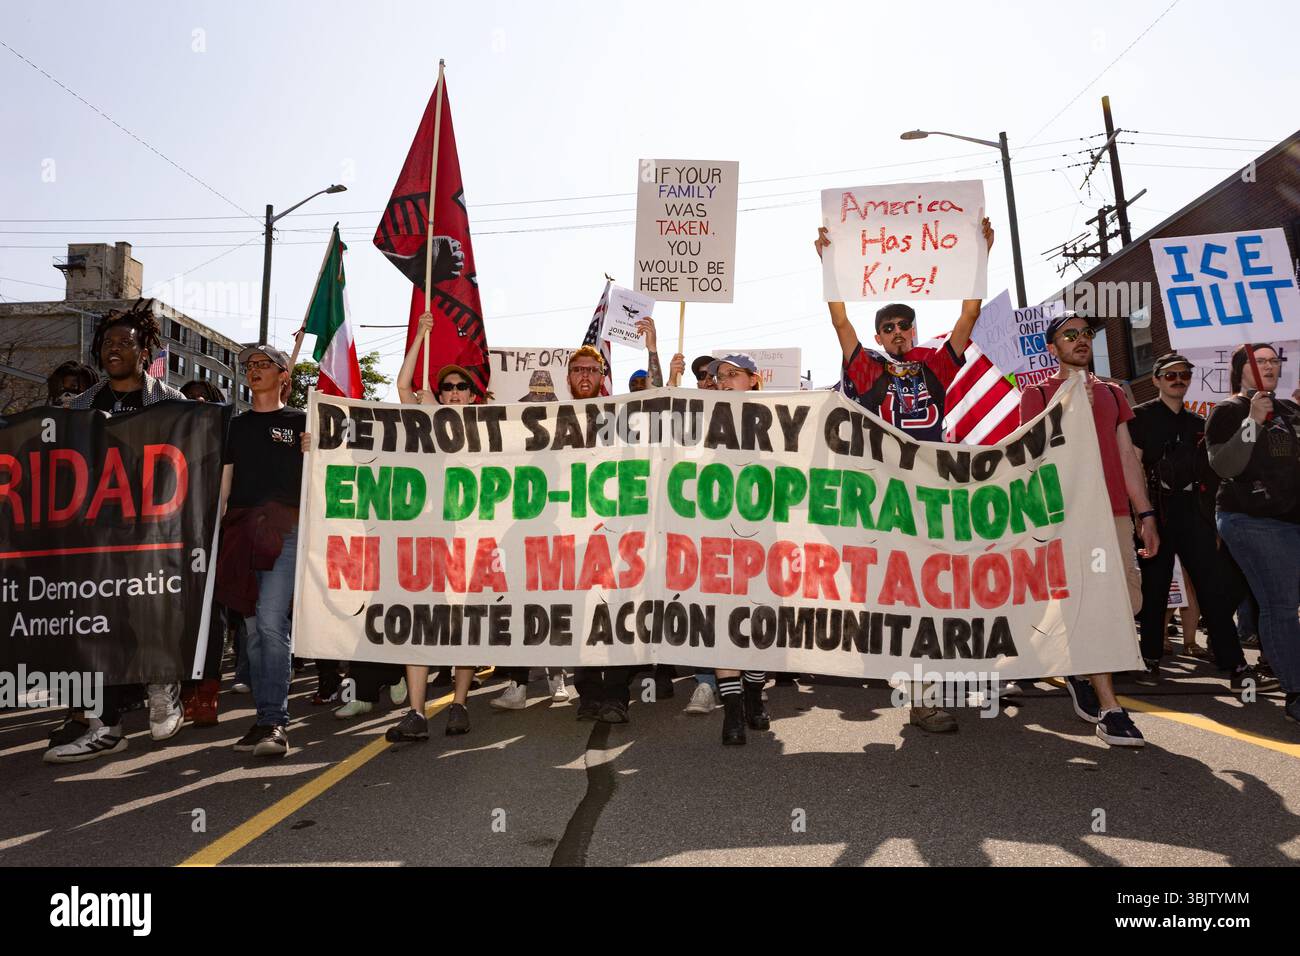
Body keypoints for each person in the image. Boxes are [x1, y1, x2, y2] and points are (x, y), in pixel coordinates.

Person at [814, 218, 994, 734]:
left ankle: (940, 683)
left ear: (914, 330)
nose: (897, 333)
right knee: (905, 598)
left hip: (934, 495)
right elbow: (841, 325)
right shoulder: (867, 368)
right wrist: (828, 265)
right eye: (888, 327)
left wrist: (978, 253)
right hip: (888, 499)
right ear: (879, 335)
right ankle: (921, 697)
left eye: (904, 325)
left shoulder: (935, 366)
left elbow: (969, 314)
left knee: (939, 593)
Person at [46, 302, 189, 763]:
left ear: (145, 350)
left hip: (152, 533)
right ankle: (104, 725)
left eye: (125, 342)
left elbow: (194, 466)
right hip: (97, 535)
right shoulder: (82, 408)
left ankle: (163, 686)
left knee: (147, 613)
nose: (114, 350)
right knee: (94, 625)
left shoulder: (173, 404)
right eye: (107, 343)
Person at [1020, 313, 1156, 747]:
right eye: (1070, 335)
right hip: (1070, 516)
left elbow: (1127, 457)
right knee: (1097, 603)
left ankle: (1078, 664)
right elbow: (1031, 460)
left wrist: (1146, 513)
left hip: (1115, 513)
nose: (1081, 340)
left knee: (1129, 600)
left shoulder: (1114, 394)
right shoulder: (1039, 394)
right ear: (1052, 347)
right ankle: (1111, 709)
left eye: (1086, 334)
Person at [1128, 353, 1269, 692]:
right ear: (1156, 380)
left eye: (1184, 374)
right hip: (1156, 514)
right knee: (1155, 588)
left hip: (1196, 516)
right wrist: (1141, 516)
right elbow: (1132, 467)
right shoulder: (1140, 418)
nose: (1178, 379)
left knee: (1212, 590)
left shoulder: (1198, 423)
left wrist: (1214, 522)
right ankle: (1148, 659)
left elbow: (1215, 476)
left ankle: (1234, 663)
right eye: (1170, 374)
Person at [384, 314, 485, 740]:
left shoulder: (489, 427)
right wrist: (421, 337)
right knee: (419, 619)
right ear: (440, 394)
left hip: (471, 538)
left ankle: (460, 703)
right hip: (426, 535)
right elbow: (403, 388)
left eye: (463, 387)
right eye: (448, 387)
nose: (455, 393)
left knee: (462, 623)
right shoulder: (428, 420)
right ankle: (417, 712)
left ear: (473, 394)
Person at [214, 343, 305, 758]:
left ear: (284, 375)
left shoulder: (305, 423)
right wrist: (214, 530)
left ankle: (274, 722)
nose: (254, 370)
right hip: (241, 534)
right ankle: (263, 716)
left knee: (270, 622)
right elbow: (225, 484)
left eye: (263, 364)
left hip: (285, 531)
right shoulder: (235, 426)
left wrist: (315, 449)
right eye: (249, 364)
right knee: (252, 632)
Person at [1206, 343, 1300, 726]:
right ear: (1242, 369)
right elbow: (1224, 466)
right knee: (1280, 605)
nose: (1269, 367)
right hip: (1251, 520)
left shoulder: (1292, 411)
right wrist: (1253, 421)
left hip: (1293, 518)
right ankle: (1295, 692)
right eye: (1259, 361)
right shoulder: (1227, 411)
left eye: (1274, 361)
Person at [703, 354, 774, 745]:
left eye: (733, 374)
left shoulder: (778, 422)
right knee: (723, 626)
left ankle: (753, 696)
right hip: (717, 542)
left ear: (754, 379)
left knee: (757, 625)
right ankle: (731, 714)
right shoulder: (704, 423)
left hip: (763, 541)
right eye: (720, 377)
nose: (725, 381)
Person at [177, 377, 230, 726]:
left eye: (203, 399)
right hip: (175, 540)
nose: (195, 403)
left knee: (212, 616)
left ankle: (208, 693)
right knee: (179, 618)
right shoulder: (171, 441)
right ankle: (183, 691)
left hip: (215, 537)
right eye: (188, 399)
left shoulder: (225, 443)